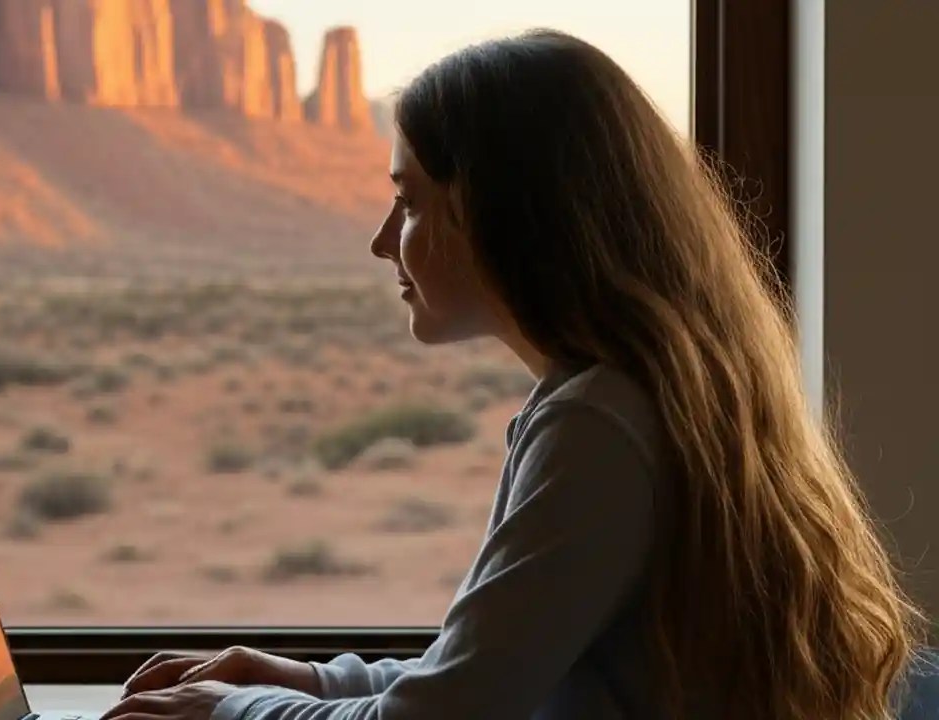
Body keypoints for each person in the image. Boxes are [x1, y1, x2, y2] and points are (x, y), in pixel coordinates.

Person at [101, 29, 924, 720]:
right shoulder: (636, 391)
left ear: (503, 212)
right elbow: (501, 672)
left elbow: (448, 715)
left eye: (413, 201)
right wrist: (309, 680)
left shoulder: (601, 422)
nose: (385, 240)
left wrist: (227, 711)